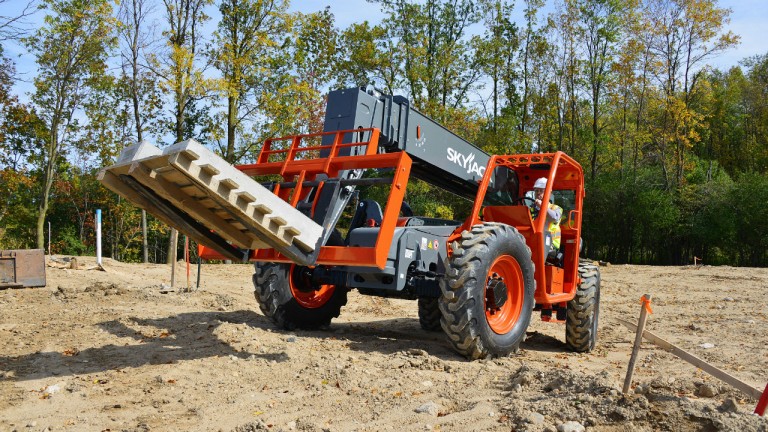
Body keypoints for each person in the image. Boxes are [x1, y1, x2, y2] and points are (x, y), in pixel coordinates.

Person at [530, 177, 562, 258]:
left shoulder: (556, 208)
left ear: (548, 192)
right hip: (534, 240)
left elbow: (555, 218)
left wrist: (542, 207)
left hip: (550, 243)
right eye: (536, 191)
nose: (538, 193)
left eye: (541, 191)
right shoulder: (530, 209)